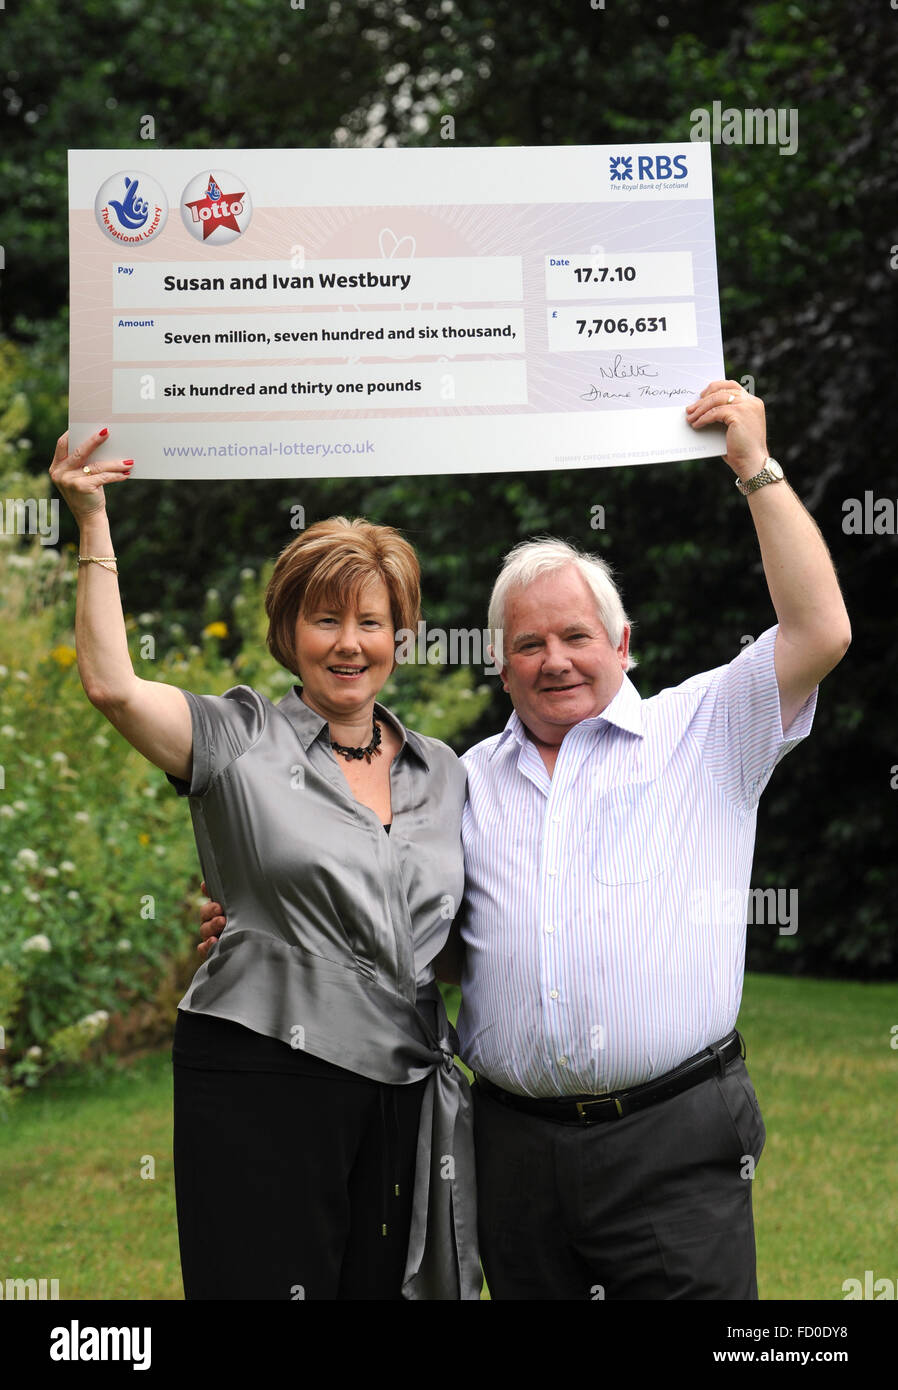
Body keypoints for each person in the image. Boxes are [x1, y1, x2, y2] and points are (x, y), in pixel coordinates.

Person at [199, 379, 851, 1298]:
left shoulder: (705, 730)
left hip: (670, 1143)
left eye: (575, 636)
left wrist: (755, 467)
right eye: (529, 644)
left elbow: (820, 629)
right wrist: (269, 920)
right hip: (511, 1154)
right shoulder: (456, 781)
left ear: (623, 642)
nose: (554, 660)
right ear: (498, 664)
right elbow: (399, 918)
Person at [49, 431, 481, 1301]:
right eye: (327, 619)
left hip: (404, 1086)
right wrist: (92, 520)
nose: (349, 643)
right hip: (262, 1074)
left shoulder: (445, 770)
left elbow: (455, 933)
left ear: (404, 632)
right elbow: (113, 687)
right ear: (288, 631)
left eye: (371, 620)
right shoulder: (235, 735)